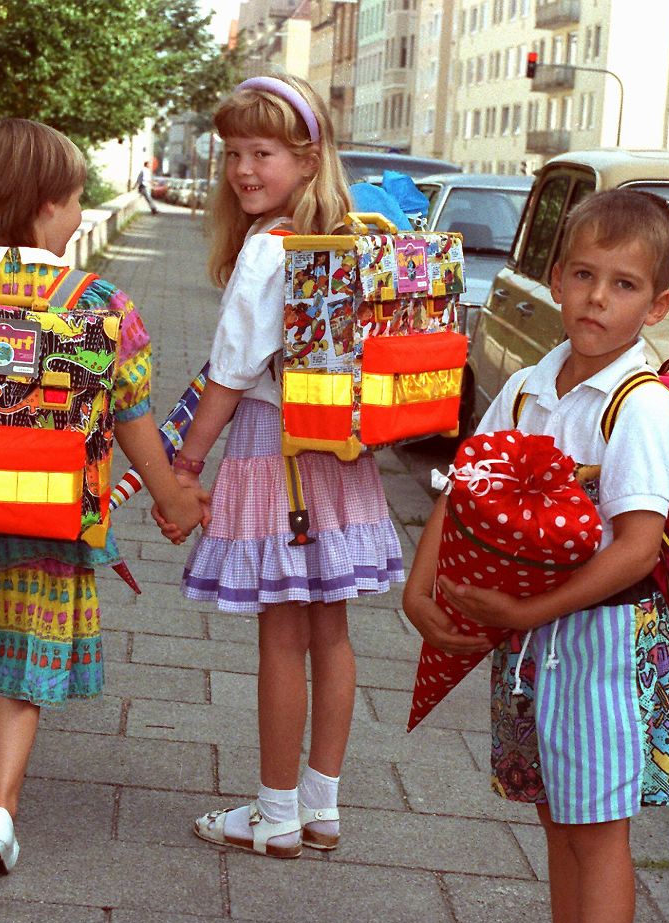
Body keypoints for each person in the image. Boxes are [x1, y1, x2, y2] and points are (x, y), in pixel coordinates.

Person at [0, 119, 204, 872]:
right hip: (50, 510)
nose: (83, 213)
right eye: (77, 198)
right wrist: (175, 498)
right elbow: (131, 415)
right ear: (46, 203)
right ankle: (1, 807)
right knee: (21, 655)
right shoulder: (100, 303)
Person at [404, 189, 669, 923]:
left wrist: (527, 614)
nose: (599, 298)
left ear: (658, 304)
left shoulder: (641, 407)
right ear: (556, 281)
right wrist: (422, 591)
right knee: (559, 813)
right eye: (585, 275)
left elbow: (637, 547)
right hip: (531, 643)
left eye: (626, 285)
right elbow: (464, 491)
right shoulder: (529, 386)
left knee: (599, 830)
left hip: (600, 642)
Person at [152, 74, 403, 858]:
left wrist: (186, 466)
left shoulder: (268, 249)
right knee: (331, 633)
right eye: (232, 153)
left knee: (279, 636)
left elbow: (230, 374)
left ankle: (273, 810)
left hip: (274, 452)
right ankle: (321, 805)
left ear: (307, 156)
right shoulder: (346, 236)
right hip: (339, 454)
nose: (242, 169)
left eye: (262, 152)